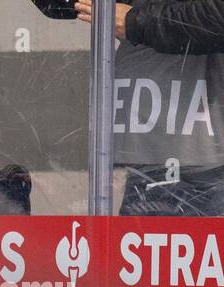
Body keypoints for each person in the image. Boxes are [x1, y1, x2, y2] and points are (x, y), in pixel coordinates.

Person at [35, 1, 224, 215]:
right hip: (144, 154)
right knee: (131, 244)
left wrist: (134, 22)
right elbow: (59, 4)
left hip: (209, 162)